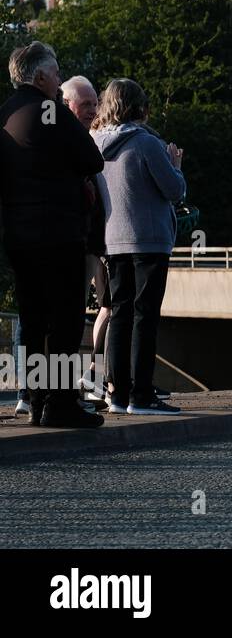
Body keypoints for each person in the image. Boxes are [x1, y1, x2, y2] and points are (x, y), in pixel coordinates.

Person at [0, 42, 105, 428]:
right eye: (56, 72)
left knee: (33, 318)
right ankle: (60, 403)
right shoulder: (52, 111)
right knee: (62, 320)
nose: (60, 80)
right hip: (57, 232)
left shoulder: (6, 113)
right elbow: (93, 159)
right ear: (40, 76)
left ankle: (38, 397)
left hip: (18, 234)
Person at [92, 78, 188, 414]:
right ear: (139, 107)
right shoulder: (147, 143)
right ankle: (141, 395)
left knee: (120, 314)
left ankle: (116, 394)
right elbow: (174, 190)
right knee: (144, 316)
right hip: (148, 240)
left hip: (112, 240)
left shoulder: (93, 142)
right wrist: (176, 164)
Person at [61, 76, 111, 406]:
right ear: (67, 105)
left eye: (96, 103)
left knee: (107, 308)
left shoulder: (90, 137)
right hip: (70, 239)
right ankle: (49, 393)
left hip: (97, 241)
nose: (92, 110)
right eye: (86, 104)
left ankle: (92, 381)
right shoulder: (63, 138)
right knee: (64, 315)